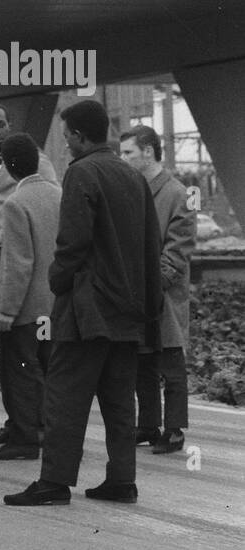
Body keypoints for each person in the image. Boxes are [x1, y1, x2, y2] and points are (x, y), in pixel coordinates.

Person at [5, 99, 163, 507]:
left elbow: (73, 241)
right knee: (118, 401)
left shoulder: (82, 173)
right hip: (128, 311)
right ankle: (121, 481)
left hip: (87, 309)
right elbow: (151, 246)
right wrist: (149, 305)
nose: (67, 144)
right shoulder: (134, 177)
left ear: (78, 135)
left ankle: (54, 483)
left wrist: (57, 281)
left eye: (68, 137)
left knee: (64, 397)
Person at [0, 103, 57, 446]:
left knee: (29, 344)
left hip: (18, 254)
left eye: (2, 124)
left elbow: (47, 202)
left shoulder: (33, 160)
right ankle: (18, 420)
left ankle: (37, 423)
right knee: (2, 343)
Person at [119, 126, 194, 455]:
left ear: (148, 152)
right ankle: (149, 425)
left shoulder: (176, 192)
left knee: (170, 360)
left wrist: (151, 285)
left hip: (163, 292)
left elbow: (178, 249)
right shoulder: (132, 188)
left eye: (128, 153)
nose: (123, 159)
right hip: (141, 291)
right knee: (142, 361)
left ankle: (174, 429)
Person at [0, 134, 61, 461]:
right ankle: (46, 431)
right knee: (47, 370)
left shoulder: (17, 203)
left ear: (8, 166)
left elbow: (18, 263)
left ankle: (25, 439)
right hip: (52, 307)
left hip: (26, 309)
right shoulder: (58, 194)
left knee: (21, 372)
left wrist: (5, 312)